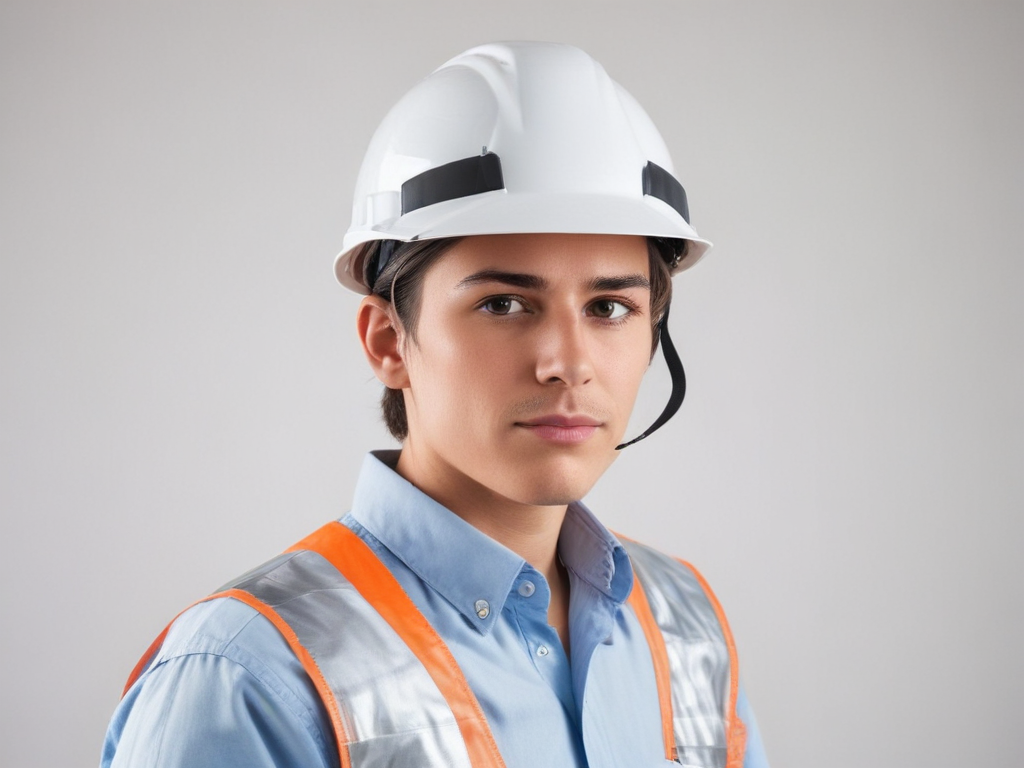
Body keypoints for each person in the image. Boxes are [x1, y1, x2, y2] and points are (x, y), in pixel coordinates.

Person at [101, 41, 769, 768]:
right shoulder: (247, 676)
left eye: (609, 307)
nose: (569, 364)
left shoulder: (685, 626)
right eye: (505, 303)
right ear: (389, 340)